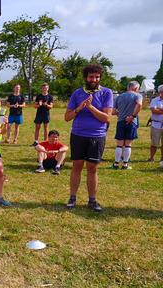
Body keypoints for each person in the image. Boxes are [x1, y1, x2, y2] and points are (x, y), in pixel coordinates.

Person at [64, 64, 113, 212]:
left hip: (97, 136)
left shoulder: (107, 93)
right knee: (77, 166)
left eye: (97, 77)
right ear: (86, 77)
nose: (94, 79)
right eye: (91, 76)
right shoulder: (77, 93)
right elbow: (67, 117)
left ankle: (92, 200)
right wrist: (80, 108)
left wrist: (90, 107)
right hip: (78, 134)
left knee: (92, 169)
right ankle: (72, 197)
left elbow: (106, 118)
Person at [112, 81, 142, 169]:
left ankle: (116, 163)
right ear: (136, 88)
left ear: (128, 87)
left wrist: (120, 113)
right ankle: (125, 164)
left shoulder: (119, 96)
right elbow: (139, 104)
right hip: (131, 122)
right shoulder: (138, 95)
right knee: (128, 144)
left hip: (120, 121)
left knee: (119, 144)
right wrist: (132, 116)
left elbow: (113, 111)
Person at [148, 84, 163, 162]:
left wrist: (160, 109)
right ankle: (151, 158)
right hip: (156, 125)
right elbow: (154, 110)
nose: (161, 93)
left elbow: (157, 110)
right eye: (161, 91)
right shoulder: (155, 100)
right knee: (154, 143)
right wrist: (158, 110)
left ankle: (162, 158)